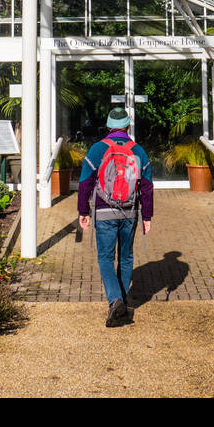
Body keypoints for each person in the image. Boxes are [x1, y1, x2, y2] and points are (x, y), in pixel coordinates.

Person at [77, 106, 154, 327]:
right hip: (130, 211)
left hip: (103, 211)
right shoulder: (138, 150)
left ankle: (115, 300)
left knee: (105, 258)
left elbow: (84, 183)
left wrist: (83, 211)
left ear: (109, 126)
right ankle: (122, 300)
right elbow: (147, 186)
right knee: (127, 257)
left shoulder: (97, 149)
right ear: (128, 126)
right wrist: (147, 216)